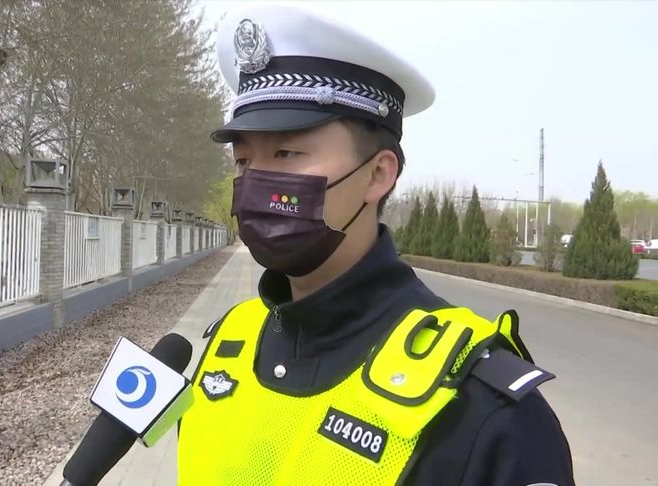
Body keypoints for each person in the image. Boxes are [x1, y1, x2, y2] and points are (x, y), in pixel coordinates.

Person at [178, 4, 574, 486]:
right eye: (243, 162)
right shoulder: (226, 349)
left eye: (286, 153)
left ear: (378, 174)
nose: (256, 182)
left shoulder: (483, 406)